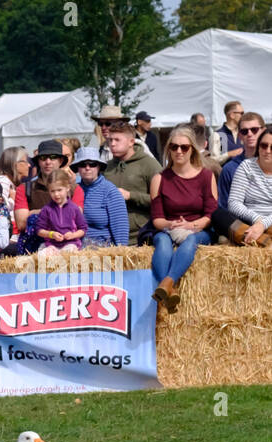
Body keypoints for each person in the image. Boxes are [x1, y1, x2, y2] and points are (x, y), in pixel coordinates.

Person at [149, 126, 217, 312]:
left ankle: (167, 285)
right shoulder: (159, 179)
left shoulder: (206, 176)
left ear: (192, 150)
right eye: (174, 147)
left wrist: (192, 225)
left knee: (192, 240)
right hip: (168, 228)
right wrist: (170, 224)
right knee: (162, 241)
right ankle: (170, 292)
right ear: (168, 149)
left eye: (184, 147)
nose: (178, 151)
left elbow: (211, 214)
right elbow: (157, 219)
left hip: (199, 229)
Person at [103, 121, 162, 244]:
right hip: (110, 237)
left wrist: (131, 196)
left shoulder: (149, 164)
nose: (112, 144)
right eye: (110, 140)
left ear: (131, 142)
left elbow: (163, 200)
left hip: (140, 237)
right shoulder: (106, 167)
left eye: (117, 140)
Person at [216, 127, 272, 247]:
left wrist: (263, 224)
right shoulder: (246, 166)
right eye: (264, 145)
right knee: (218, 215)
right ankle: (264, 242)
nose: (267, 150)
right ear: (258, 147)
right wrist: (257, 219)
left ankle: (251, 239)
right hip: (249, 221)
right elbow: (234, 203)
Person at [71, 147, 128, 246]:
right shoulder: (72, 190)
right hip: (74, 244)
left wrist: (120, 254)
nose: (87, 168)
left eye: (92, 164)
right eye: (82, 164)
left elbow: (120, 228)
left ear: (98, 167)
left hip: (101, 246)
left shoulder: (110, 191)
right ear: (77, 168)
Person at [33, 169, 86, 255]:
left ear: (67, 188)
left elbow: (83, 229)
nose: (56, 194)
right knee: (42, 255)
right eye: (52, 191)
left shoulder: (74, 208)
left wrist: (73, 235)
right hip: (51, 245)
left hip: (70, 244)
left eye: (59, 190)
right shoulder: (47, 209)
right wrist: (51, 234)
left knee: (70, 255)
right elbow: (39, 230)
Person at [218, 111, 265, 208]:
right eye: (244, 131)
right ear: (239, 135)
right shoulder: (229, 169)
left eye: (254, 130)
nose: (249, 134)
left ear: (263, 131)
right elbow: (224, 208)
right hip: (241, 222)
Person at [0, 146, 30, 213]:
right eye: (26, 162)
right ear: (15, 164)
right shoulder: (3, 181)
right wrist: (12, 199)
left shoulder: (10, 182)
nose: (29, 165)